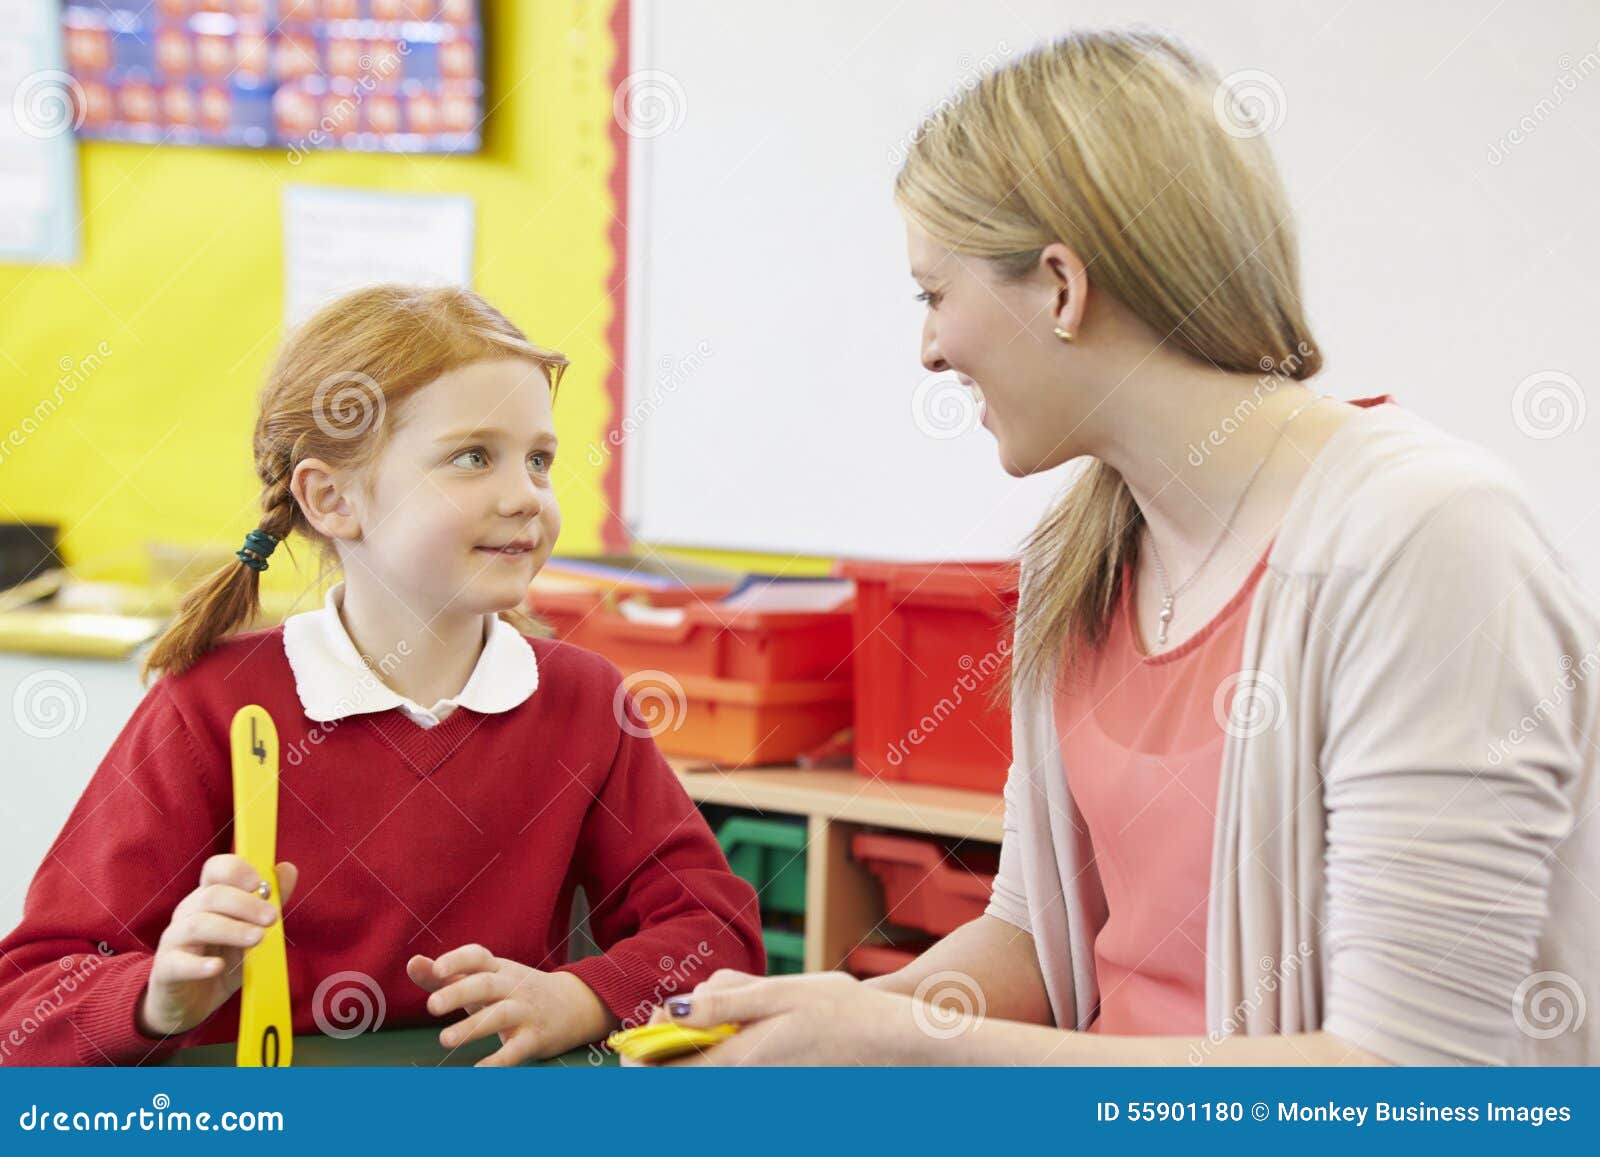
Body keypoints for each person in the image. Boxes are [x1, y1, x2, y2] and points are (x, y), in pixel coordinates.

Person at [643, 28, 1598, 1067]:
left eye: (933, 294)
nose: (928, 347)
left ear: (1059, 285)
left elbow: (1412, 1083)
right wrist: (831, 1015)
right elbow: (1033, 937)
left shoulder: (1426, 542)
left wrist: (910, 1038)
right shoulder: (1082, 556)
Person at [0, 285, 763, 1066]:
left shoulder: (582, 700)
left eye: (538, 459)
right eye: (473, 457)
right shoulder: (211, 706)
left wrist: (583, 995)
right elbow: (27, 999)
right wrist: (155, 998)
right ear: (332, 499)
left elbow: (716, 929)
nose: (525, 496)